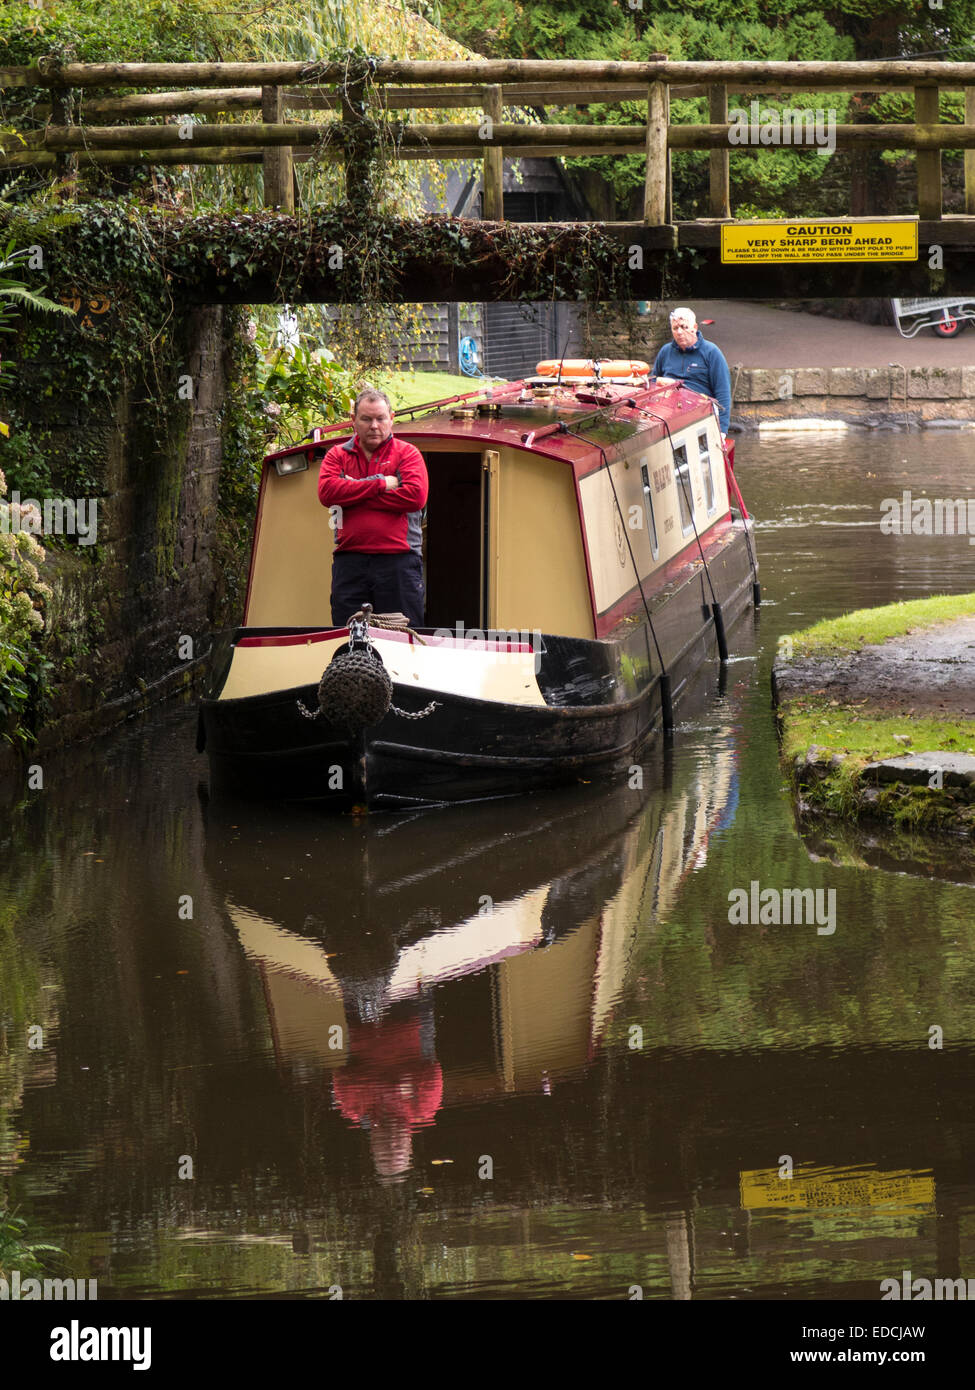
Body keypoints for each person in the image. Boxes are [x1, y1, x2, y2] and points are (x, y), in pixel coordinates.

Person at [318, 387, 428, 628]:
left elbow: (414, 497)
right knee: (346, 639)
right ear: (353, 421)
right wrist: (380, 485)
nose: (374, 425)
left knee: (404, 640)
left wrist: (352, 491)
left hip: (399, 562)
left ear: (392, 418)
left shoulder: (408, 454)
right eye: (366, 419)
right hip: (349, 563)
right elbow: (327, 493)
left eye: (380, 418)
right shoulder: (336, 455)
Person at [652, 307, 732, 437]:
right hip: (667, 414)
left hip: (700, 416)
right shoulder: (665, 352)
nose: (679, 332)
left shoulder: (711, 352)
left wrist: (722, 430)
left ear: (694, 327)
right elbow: (653, 384)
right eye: (675, 328)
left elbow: (723, 392)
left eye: (684, 327)